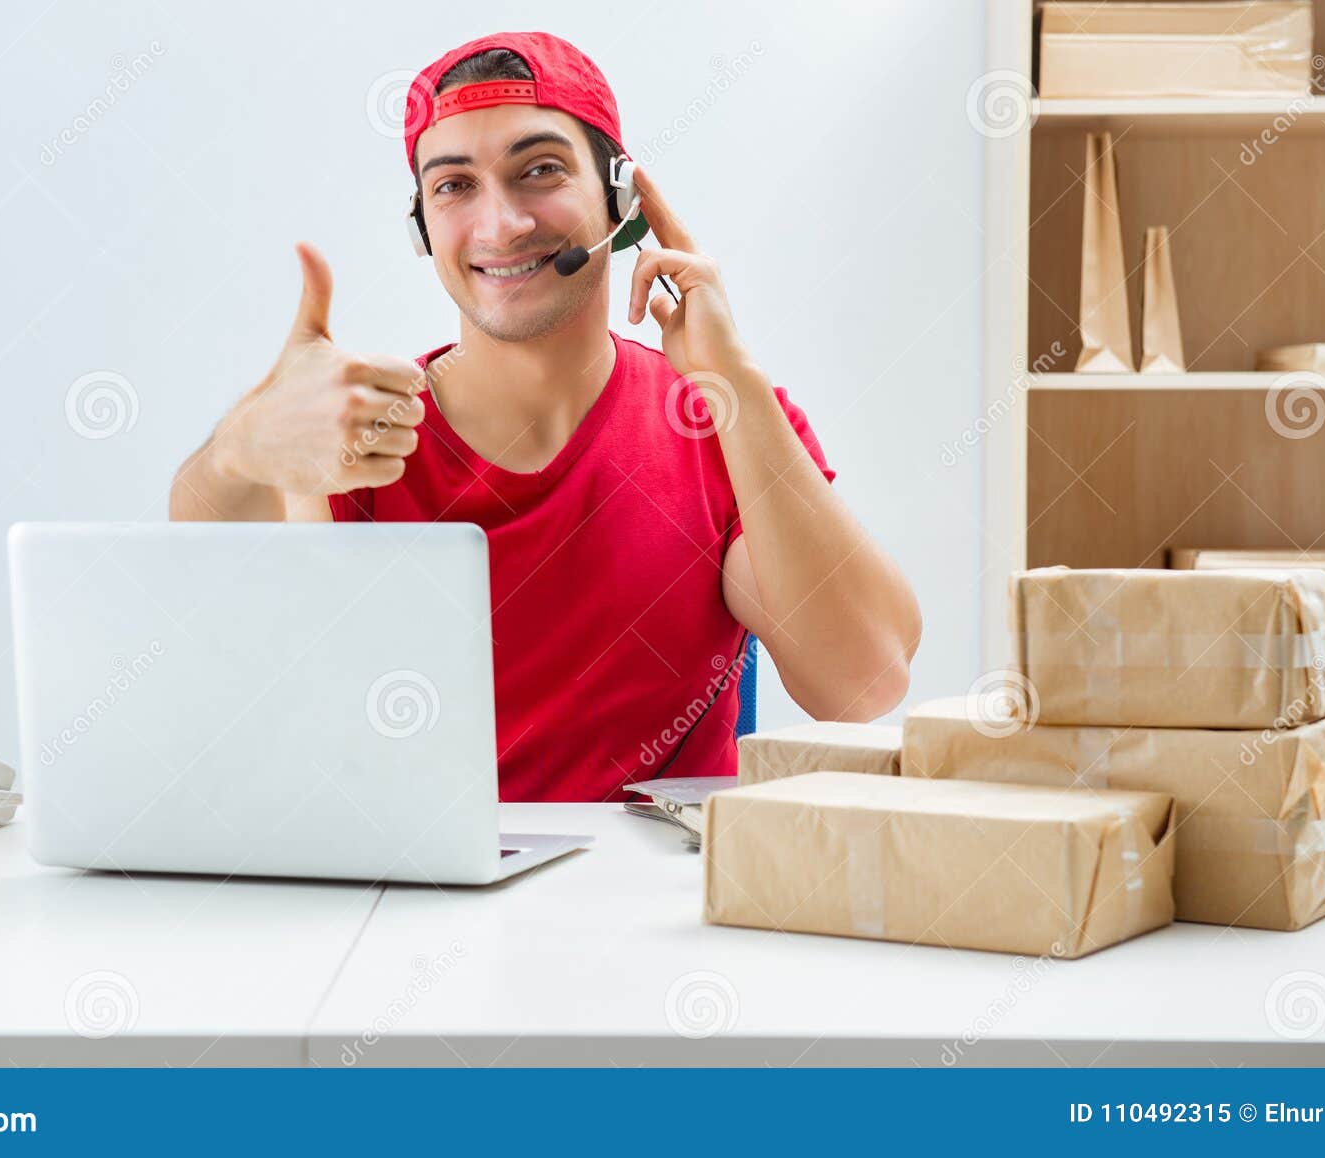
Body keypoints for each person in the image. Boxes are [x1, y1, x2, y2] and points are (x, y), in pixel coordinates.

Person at [171, 31, 920, 802]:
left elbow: (860, 684)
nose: (501, 225)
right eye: (455, 186)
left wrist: (735, 378)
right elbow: (211, 607)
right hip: (413, 904)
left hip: (653, 911)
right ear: (423, 229)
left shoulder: (720, 421)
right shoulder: (358, 433)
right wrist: (242, 447)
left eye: (540, 171)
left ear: (622, 199)